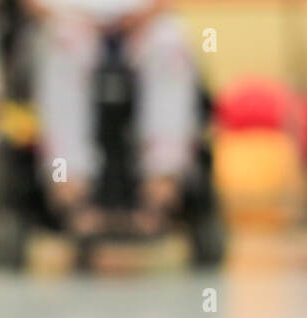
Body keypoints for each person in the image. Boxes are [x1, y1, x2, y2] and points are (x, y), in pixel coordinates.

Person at [22, 0, 197, 237]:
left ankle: (162, 179)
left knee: (170, 44)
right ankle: (68, 184)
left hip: (142, 24)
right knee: (63, 45)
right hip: (69, 21)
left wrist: (145, 15)